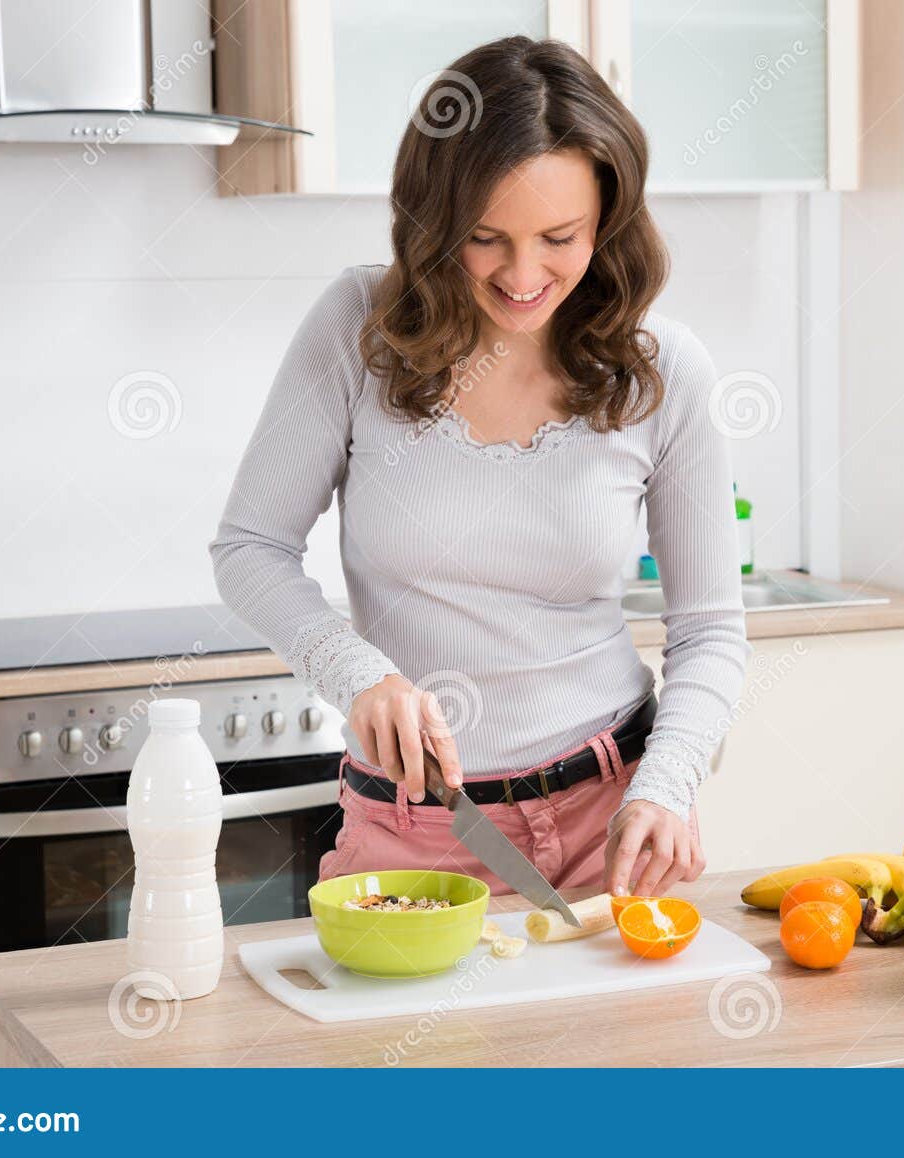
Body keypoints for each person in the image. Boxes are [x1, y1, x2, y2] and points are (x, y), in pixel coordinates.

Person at [211, 36, 748, 899]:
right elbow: (249, 547)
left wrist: (668, 784)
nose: (525, 274)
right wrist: (360, 675)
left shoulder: (663, 371)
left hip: (612, 824)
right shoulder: (361, 327)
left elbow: (710, 630)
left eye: (560, 237)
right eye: (486, 238)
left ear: (608, 217)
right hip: (415, 827)